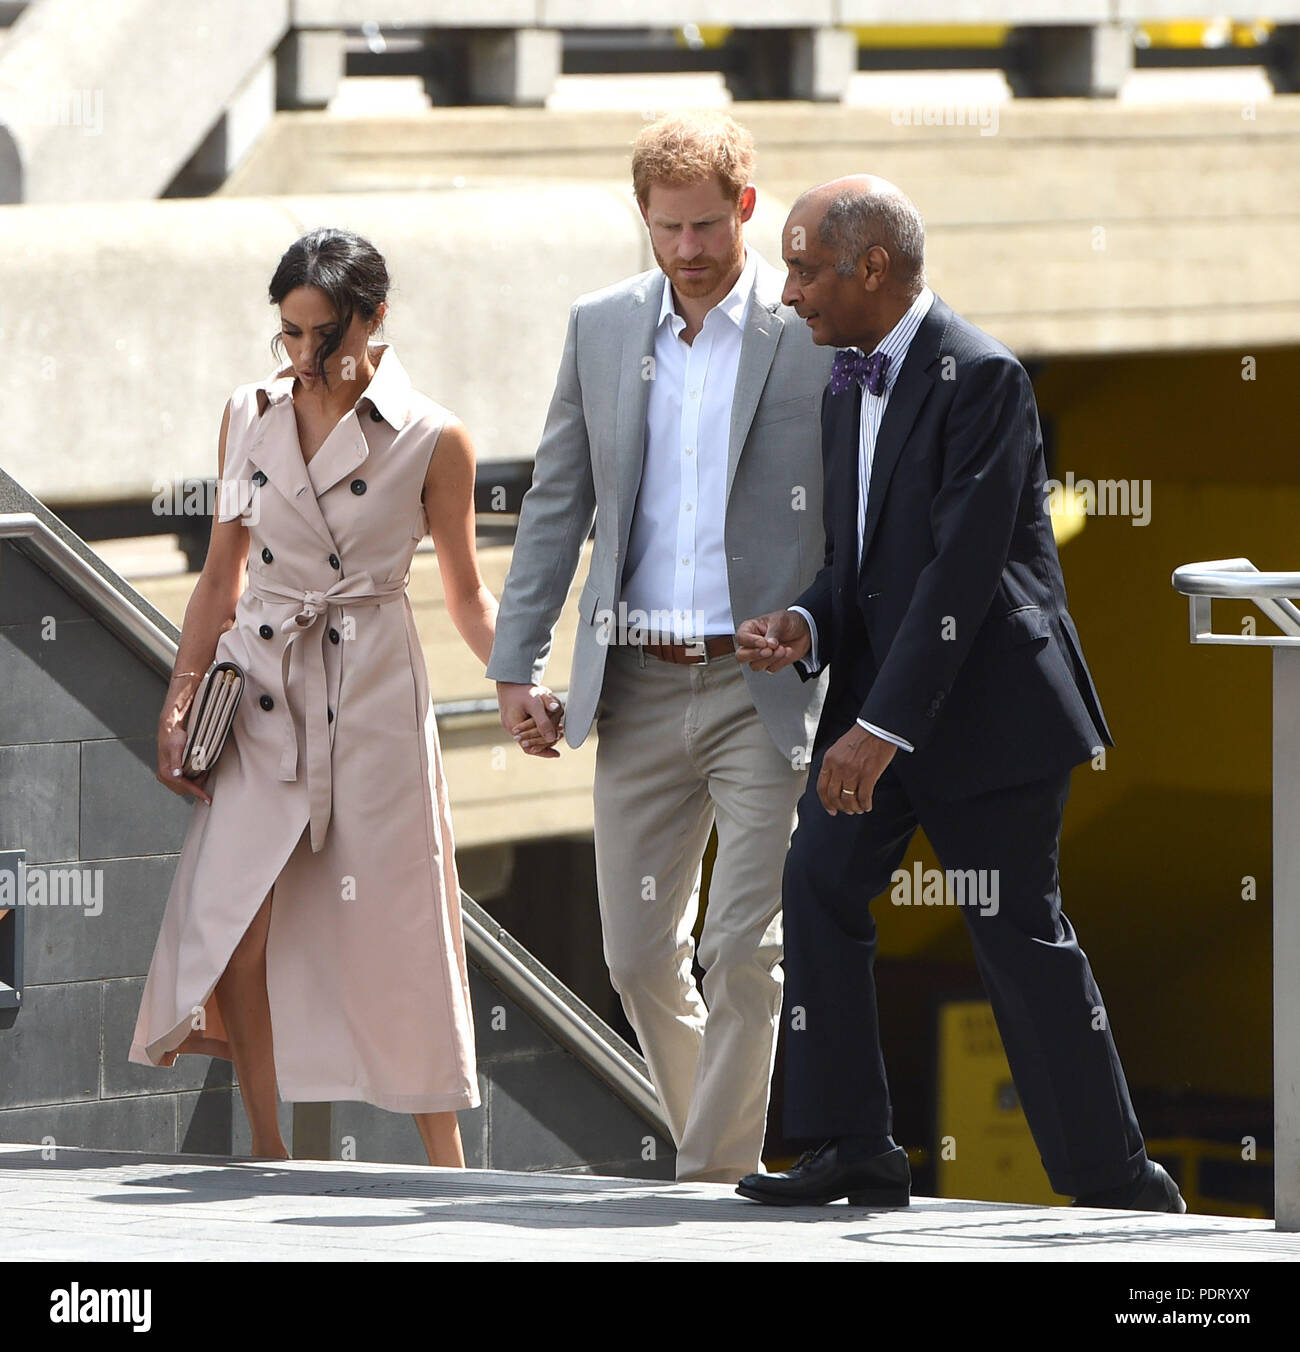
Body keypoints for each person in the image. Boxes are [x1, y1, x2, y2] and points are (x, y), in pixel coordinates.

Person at [732, 176, 1185, 1212]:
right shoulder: (846, 381)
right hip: (881, 702)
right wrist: (806, 622)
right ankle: (855, 1144)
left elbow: (959, 572)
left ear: (871, 268)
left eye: (804, 267)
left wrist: (875, 730)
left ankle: (1115, 1183)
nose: (790, 289)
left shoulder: (982, 377)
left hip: (986, 719)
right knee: (819, 882)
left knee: (1015, 936)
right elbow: (863, 565)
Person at [130, 227, 559, 1167]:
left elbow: (464, 593)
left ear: (375, 318)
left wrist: (522, 683)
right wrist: (178, 701)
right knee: (235, 920)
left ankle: (446, 1165)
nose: (304, 356)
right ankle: (269, 1151)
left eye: (325, 335)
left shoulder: (433, 436)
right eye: (288, 333)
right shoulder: (248, 412)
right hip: (263, 690)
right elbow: (217, 579)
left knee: (395, 929)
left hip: (372, 696)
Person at [488, 114, 833, 1183]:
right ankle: (722, 1155)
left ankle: (705, 1184)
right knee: (637, 958)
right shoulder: (600, 328)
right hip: (632, 682)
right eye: (665, 227)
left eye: (704, 225)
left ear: (746, 207)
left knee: (743, 948)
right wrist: (516, 664)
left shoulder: (807, 334)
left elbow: (861, 512)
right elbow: (557, 504)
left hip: (760, 684)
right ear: (642, 218)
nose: (686, 248)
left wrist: (820, 622)